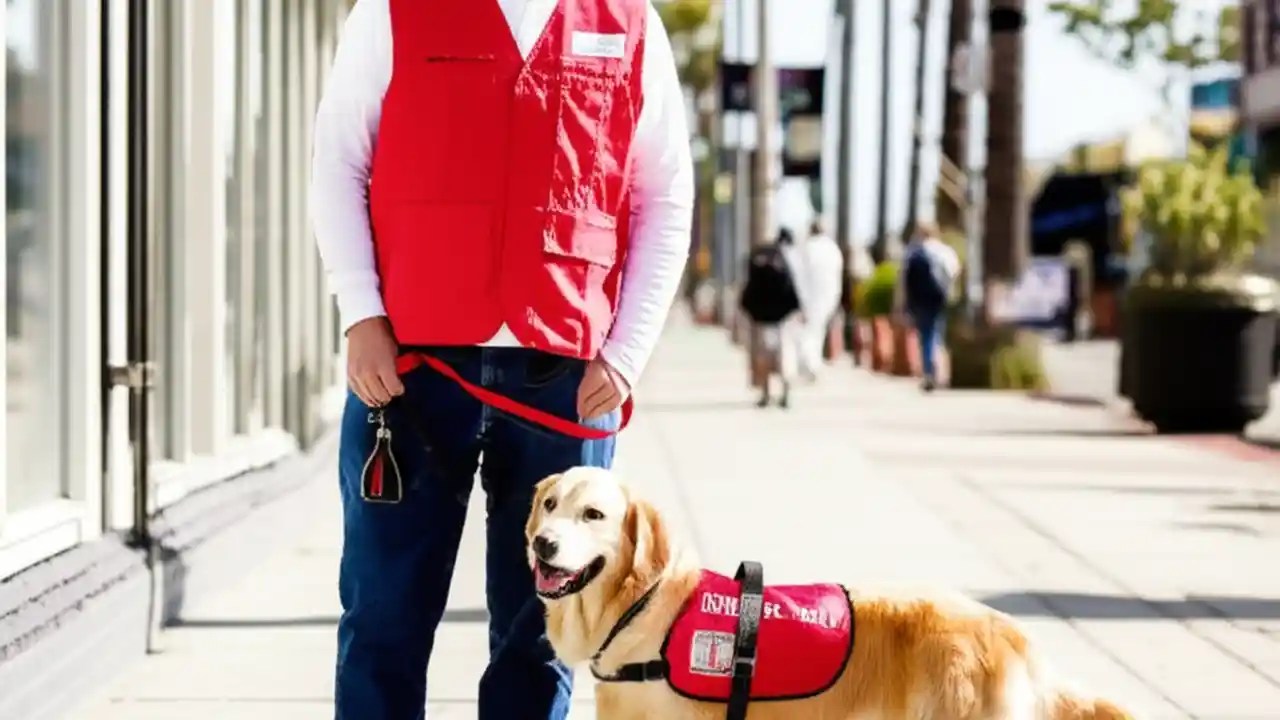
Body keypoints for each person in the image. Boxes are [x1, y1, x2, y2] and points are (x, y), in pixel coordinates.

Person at [310, 1, 692, 718]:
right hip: (411, 374)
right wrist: (360, 311)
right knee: (382, 622)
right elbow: (338, 159)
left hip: (566, 385)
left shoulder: (629, 19)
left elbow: (665, 193)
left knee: (541, 636)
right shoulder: (393, 10)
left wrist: (627, 353)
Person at [740, 228, 803, 408]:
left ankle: (766, 394)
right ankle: (785, 393)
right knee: (785, 356)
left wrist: (749, 310)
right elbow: (793, 288)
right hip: (783, 318)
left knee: (763, 358)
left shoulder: (758, 257)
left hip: (761, 318)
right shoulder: (788, 258)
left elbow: (749, 289)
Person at [895, 222, 960, 392]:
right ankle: (939, 372)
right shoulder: (944, 251)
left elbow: (902, 280)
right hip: (938, 298)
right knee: (937, 333)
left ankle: (929, 373)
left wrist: (900, 305)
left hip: (918, 301)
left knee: (926, 336)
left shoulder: (912, 252)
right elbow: (954, 272)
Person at [785, 218, 844, 380]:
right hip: (829, 296)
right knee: (817, 330)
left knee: (808, 331)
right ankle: (812, 364)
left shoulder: (807, 248)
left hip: (810, 296)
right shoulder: (833, 249)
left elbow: (799, 274)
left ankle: (810, 364)